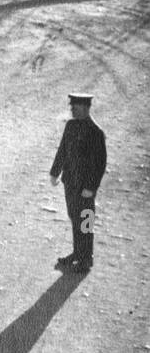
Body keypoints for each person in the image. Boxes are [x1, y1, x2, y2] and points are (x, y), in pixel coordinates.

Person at [50, 92, 107, 273]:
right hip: (70, 183)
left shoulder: (96, 132)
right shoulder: (71, 126)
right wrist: (55, 172)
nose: (71, 109)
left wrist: (91, 187)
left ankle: (86, 258)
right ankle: (77, 253)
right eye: (71, 106)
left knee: (86, 221)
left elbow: (99, 164)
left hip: (86, 188)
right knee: (75, 218)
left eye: (75, 106)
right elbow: (63, 149)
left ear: (85, 107)